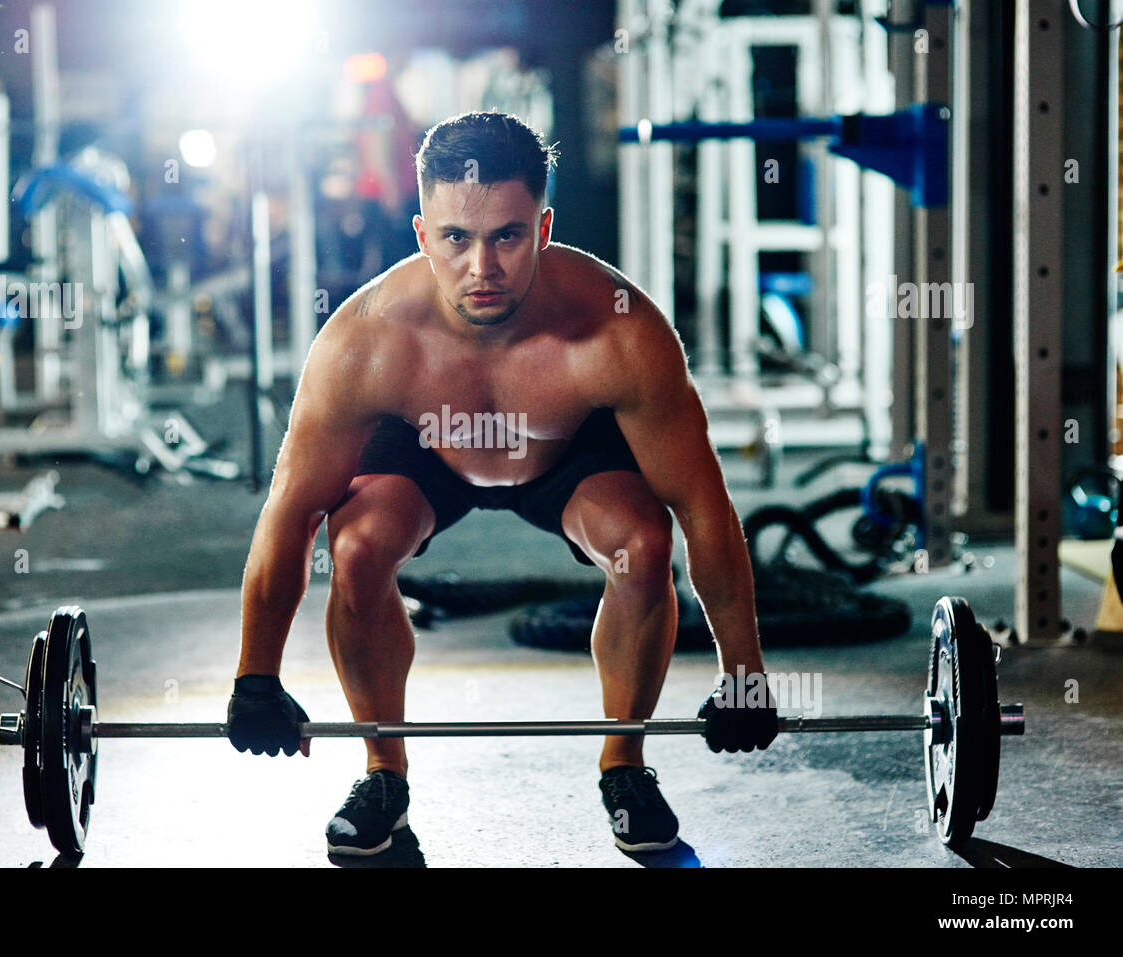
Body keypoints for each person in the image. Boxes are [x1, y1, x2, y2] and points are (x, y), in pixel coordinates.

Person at [228, 111, 777, 856]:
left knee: (645, 547)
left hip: (564, 449)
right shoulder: (365, 340)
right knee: (354, 548)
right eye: (456, 238)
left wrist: (743, 671)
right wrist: (255, 674)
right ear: (422, 235)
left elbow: (704, 507)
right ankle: (383, 774)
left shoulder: (619, 330)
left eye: (506, 237)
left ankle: (625, 766)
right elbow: (290, 511)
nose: (481, 267)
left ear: (543, 228)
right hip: (427, 449)